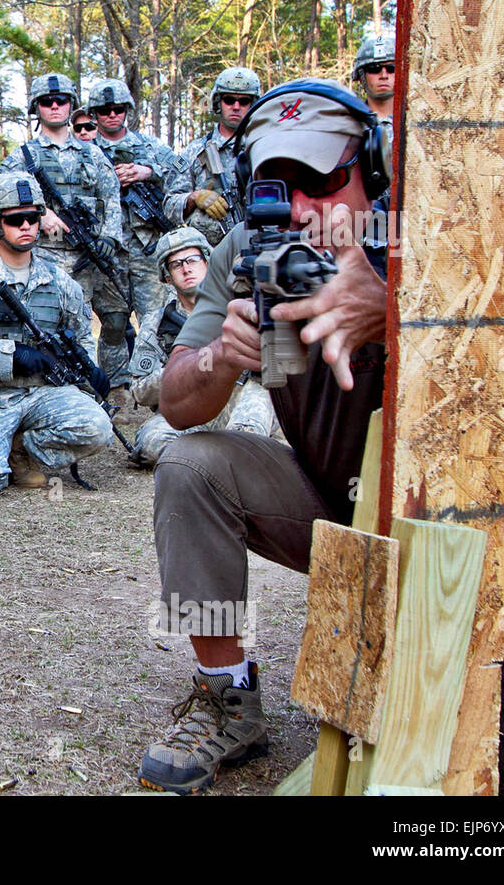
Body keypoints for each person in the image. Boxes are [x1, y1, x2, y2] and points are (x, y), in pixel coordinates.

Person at [137, 79, 391, 794]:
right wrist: (222, 357)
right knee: (189, 465)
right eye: (277, 185)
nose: (301, 206)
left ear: (367, 172)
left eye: (321, 179)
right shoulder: (248, 252)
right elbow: (179, 403)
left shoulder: (421, 231)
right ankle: (226, 696)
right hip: (327, 502)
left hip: (436, 520)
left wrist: (397, 305)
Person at [0, 171, 113, 497]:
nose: (27, 226)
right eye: (16, 220)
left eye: (33, 217)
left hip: (41, 394)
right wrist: (8, 358)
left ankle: (22, 449)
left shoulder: (59, 282)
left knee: (97, 427)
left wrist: (89, 371)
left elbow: (82, 335)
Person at [1, 73, 125, 393]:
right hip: (41, 255)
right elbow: (0, 197)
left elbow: (111, 196)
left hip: (84, 258)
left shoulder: (92, 154)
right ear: (36, 108)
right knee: (38, 324)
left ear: (72, 106)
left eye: (62, 101)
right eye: (47, 102)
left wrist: (109, 238)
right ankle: (36, 388)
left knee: (79, 326)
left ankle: (82, 388)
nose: (55, 107)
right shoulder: (23, 156)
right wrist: (41, 215)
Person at [126, 226, 274, 467]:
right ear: (166, 276)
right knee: (152, 443)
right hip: (189, 406)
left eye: (193, 259)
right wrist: (182, 370)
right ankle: (209, 459)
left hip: (240, 399)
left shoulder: (243, 305)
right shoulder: (158, 322)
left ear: (209, 262)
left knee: (248, 434)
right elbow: (140, 390)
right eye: (176, 264)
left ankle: (223, 455)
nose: (186, 268)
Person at [87, 78, 182, 391]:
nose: (112, 115)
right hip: (107, 253)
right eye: (104, 110)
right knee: (113, 325)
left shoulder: (152, 148)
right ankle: (116, 392)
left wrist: (147, 173)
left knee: (158, 322)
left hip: (148, 251)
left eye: (118, 109)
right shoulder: (86, 153)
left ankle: (163, 387)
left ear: (127, 110)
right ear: (94, 114)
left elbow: (182, 179)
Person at [164, 66, 261, 247]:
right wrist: (195, 197)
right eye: (229, 100)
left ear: (253, 105)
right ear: (218, 102)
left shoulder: (262, 149)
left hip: (256, 248)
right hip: (209, 254)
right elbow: (169, 205)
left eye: (244, 101)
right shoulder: (195, 151)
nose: (236, 107)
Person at [352, 34, 397, 129]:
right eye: (374, 69)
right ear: (361, 77)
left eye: (391, 68)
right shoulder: (350, 124)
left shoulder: (415, 122)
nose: (384, 76)